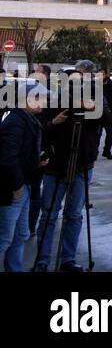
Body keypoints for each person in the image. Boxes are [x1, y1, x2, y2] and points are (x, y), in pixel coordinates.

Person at [33, 65, 101, 271]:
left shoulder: (92, 101)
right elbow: (39, 132)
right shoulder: (52, 102)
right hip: (55, 166)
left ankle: (68, 259)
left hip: (81, 165)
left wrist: (92, 105)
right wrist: (54, 122)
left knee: (74, 215)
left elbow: (110, 120)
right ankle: (42, 261)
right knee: (49, 215)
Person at [0, 80, 47, 271]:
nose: (43, 102)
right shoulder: (15, 122)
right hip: (13, 190)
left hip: (22, 187)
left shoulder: (26, 120)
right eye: (40, 98)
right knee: (5, 238)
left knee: (20, 236)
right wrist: (18, 187)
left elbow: (17, 155)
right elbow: (7, 159)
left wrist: (35, 163)